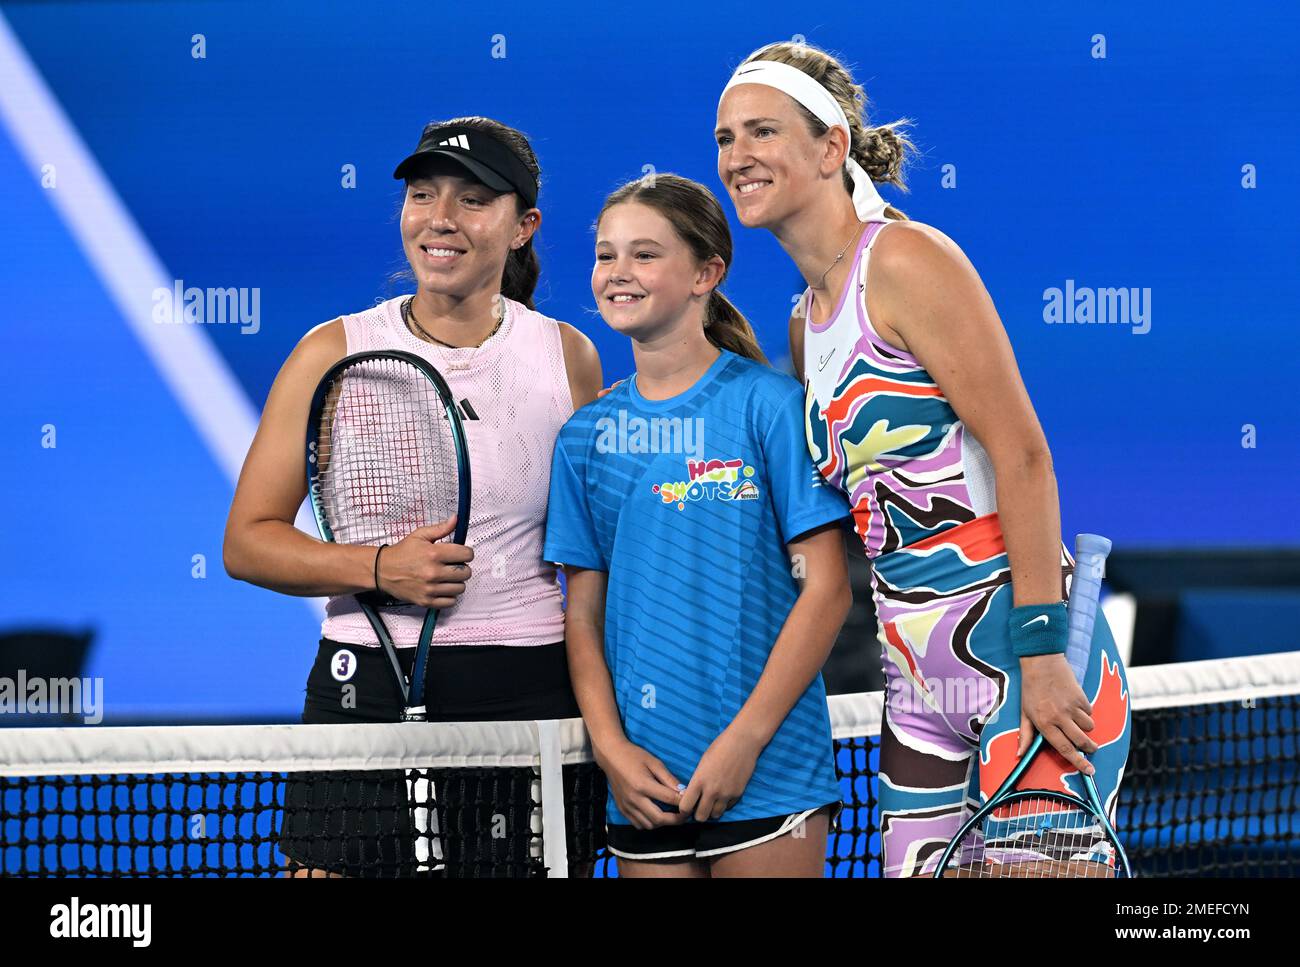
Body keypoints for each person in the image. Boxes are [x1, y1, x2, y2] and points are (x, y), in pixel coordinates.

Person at [714, 42, 1133, 877]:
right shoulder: (805, 322)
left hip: (1022, 654)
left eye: (762, 131)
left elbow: (1023, 452)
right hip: (913, 686)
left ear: (832, 147)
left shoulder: (906, 262)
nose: (737, 156)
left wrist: (1045, 655)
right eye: (725, 138)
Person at [223, 116, 606, 877]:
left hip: (529, 697)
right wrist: (376, 567)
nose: (439, 218)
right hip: (362, 693)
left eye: (472, 200)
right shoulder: (331, 352)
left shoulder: (568, 357)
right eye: (423, 194)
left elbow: (594, 559)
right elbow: (247, 540)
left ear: (523, 226)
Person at [544, 172, 853, 878]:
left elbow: (827, 588)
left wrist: (744, 740)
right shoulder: (584, 438)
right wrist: (612, 750)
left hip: (770, 776)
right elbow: (582, 615)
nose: (618, 272)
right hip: (644, 792)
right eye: (605, 254)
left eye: (645, 254)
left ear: (706, 273)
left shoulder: (769, 407)